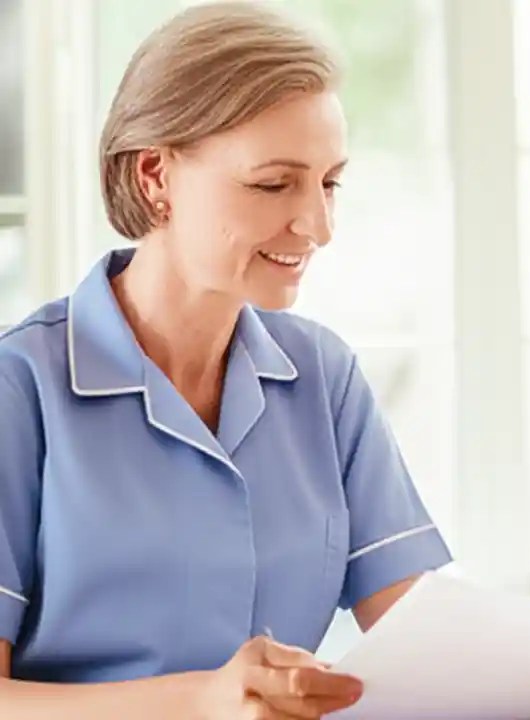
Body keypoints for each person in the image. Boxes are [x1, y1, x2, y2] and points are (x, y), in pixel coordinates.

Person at [0, 3, 451, 717]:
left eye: (329, 183)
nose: (319, 226)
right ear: (155, 177)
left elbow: (440, 646)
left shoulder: (323, 379)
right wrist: (200, 701)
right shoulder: (19, 389)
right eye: (274, 184)